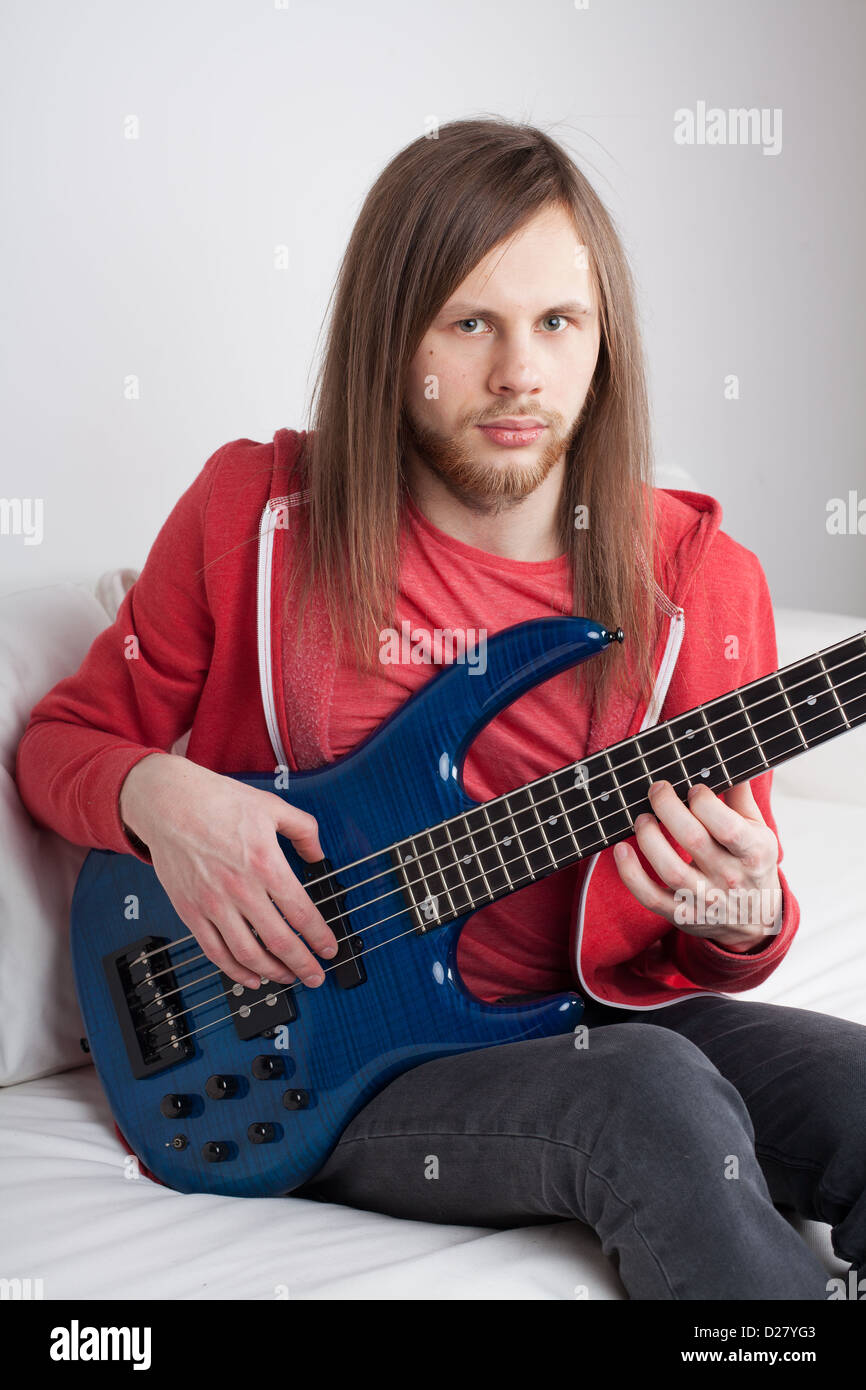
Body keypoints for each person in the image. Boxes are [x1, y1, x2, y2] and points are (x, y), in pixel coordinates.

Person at [15, 117, 866, 1301]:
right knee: (648, 1101)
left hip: (572, 1016)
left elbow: (720, 925)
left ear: (600, 341)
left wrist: (739, 908)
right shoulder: (250, 514)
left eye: (556, 323)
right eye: (470, 323)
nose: (519, 372)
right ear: (391, 334)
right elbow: (61, 742)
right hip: (319, 1058)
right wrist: (159, 798)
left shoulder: (694, 582)